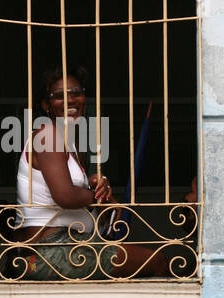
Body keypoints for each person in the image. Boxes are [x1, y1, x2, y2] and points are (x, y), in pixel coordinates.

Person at [14, 66, 169, 279]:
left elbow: (84, 201)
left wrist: (95, 186)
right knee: (157, 262)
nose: (70, 100)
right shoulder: (48, 135)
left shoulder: (69, 143)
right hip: (51, 250)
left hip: (69, 246)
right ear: (45, 105)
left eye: (76, 93)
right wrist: (94, 196)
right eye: (59, 96)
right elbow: (65, 196)